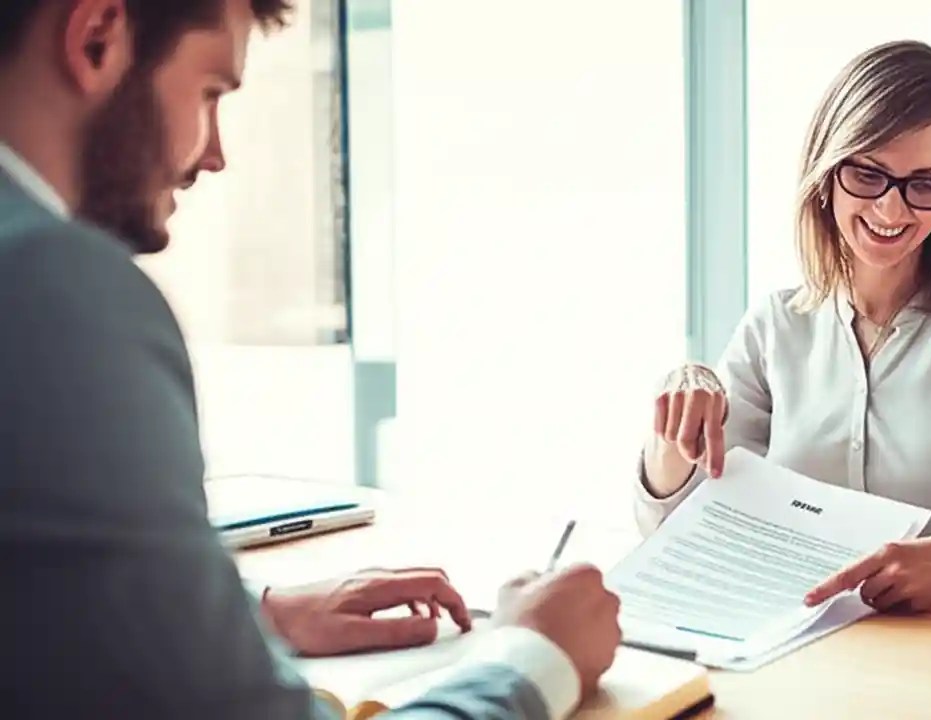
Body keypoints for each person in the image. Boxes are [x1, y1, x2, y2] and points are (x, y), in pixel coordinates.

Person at [0, 1, 619, 718]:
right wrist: (533, 654)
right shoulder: (52, 292)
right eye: (210, 92)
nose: (213, 153)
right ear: (98, 36)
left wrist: (246, 623)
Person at [635, 39, 931, 614]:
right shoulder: (776, 324)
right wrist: (673, 420)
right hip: (797, 645)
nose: (892, 211)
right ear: (826, 173)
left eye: (925, 183)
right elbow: (680, 530)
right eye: (869, 175)